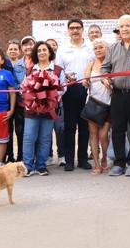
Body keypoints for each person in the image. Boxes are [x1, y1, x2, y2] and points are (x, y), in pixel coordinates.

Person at [102, 15, 130, 177]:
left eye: (128, 26)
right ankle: (119, 162)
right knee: (117, 129)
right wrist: (105, 78)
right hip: (118, 94)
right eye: (122, 26)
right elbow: (105, 68)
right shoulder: (113, 48)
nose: (125, 29)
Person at [20, 41, 65, 176]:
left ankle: (41, 165)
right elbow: (23, 87)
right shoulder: (30, 69)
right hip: (32, 109)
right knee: (29, 137)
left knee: (45, 138)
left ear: (50, 52)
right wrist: (33, 97)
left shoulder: (58, 70)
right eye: (39, 50)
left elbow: (63, 88)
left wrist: (48, 97)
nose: (42, 52)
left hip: (49, 108)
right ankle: (28, 166)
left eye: (44, 50)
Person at [58, 18, 95, 171]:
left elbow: (96, 66)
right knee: (70, 127)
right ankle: (69, 161)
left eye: (78, 28)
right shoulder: (62, 49)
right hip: (70, 90)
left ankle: (83, 159)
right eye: (72, 28)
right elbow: (58, 70)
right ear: (68, 31)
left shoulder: (91, 47)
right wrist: (66, 77)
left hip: (88, 89)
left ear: (82, 29)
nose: (75, 30)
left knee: (84, 126)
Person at [84, 38, 112, 173]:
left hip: (108, 103)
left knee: (104, 135)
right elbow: (85, 82)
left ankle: (104, 158)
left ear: (107, 49)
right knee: (93, 134)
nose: (98, 50)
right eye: (95, 48)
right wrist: (85, 82)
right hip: (94, 103)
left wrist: (109, 84)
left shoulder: (111, 64)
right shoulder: (90, 64)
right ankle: (96, 164)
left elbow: (116, 82)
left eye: (101, 47)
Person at [5, 40, 28, 162]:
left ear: (19, 51)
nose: (13, 51)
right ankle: (9, 155)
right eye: (11, 49)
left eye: (15, 49)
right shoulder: (3, 63)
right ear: (7, 51)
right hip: (6, 101)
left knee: (20, 130)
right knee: (8, 130)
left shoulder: (23, 65)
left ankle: (21, 155)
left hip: (20, 101)